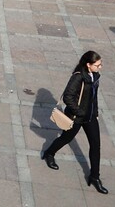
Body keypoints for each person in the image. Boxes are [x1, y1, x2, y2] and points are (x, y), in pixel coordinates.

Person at [41, 51, 108, 194]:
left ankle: (95, 177)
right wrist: (79, 112)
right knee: (66, 138)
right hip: (76, 117)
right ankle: (49, 153)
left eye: (100, 64)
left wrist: (94, 113)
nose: (100, 67)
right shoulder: (78, 77)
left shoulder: (95, 75)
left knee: (96, 145)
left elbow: (93, 97)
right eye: (97, 65)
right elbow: (68, 97)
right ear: (88, 65)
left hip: (89, 116)